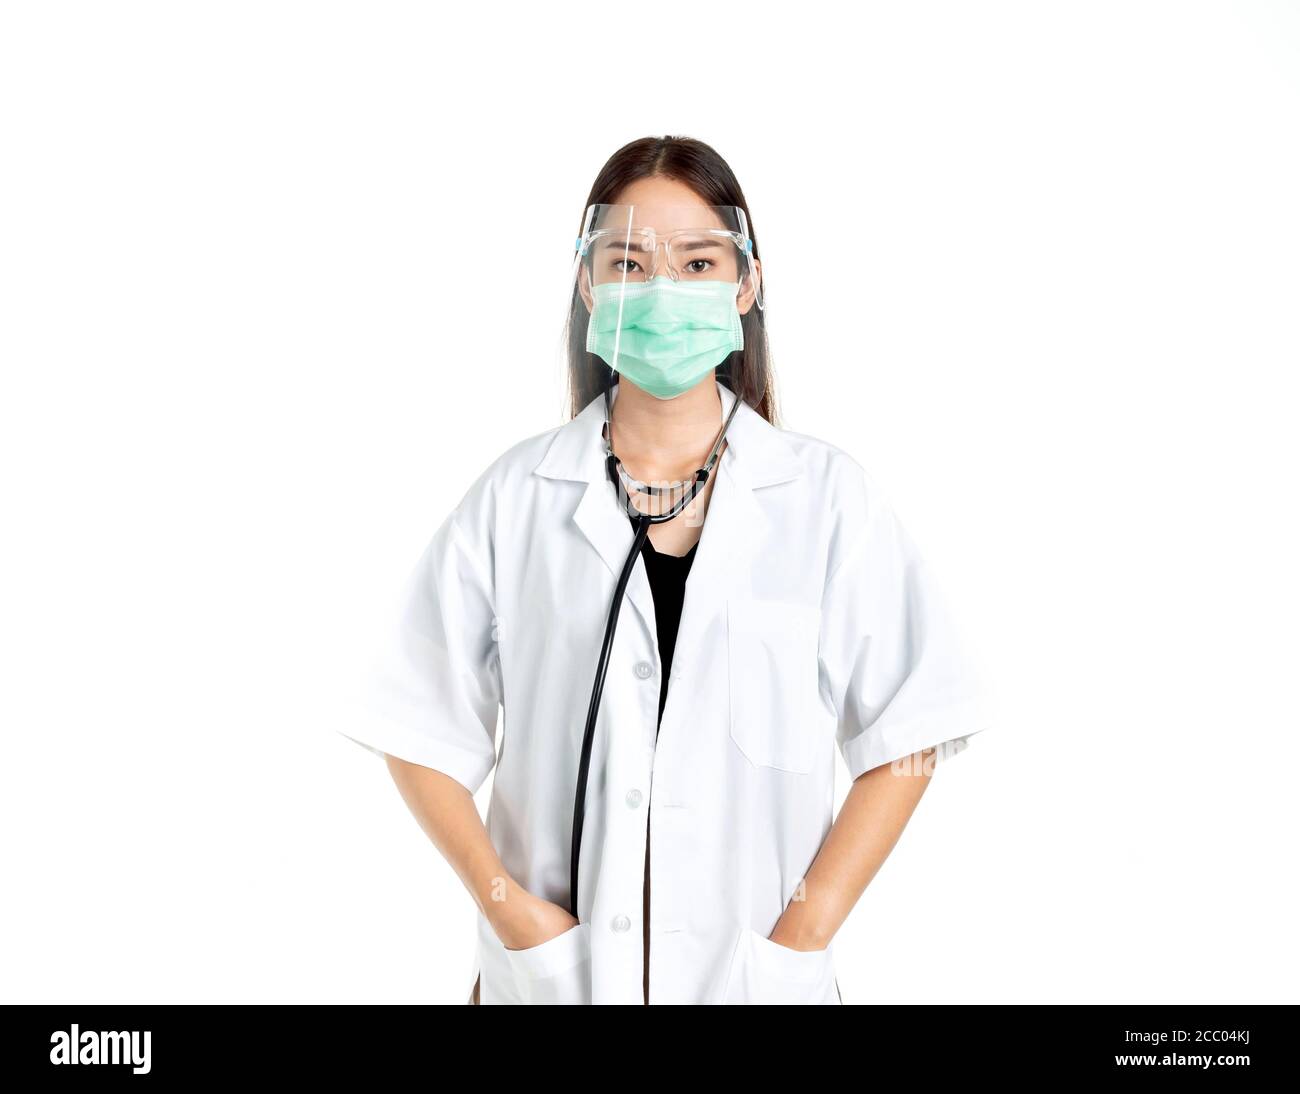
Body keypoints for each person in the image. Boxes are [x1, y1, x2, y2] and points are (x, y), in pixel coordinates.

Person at [338, 135, 995, 1005]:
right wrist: (510, 912)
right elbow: (416, 727)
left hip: (754, 984)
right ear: (587, 285)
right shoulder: (515, 500)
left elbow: (910, 732)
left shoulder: (826, 500)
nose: (661, 291)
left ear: (746, 283)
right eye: (627, 261)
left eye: (696, 262)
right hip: (555, 983)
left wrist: (803, 931)